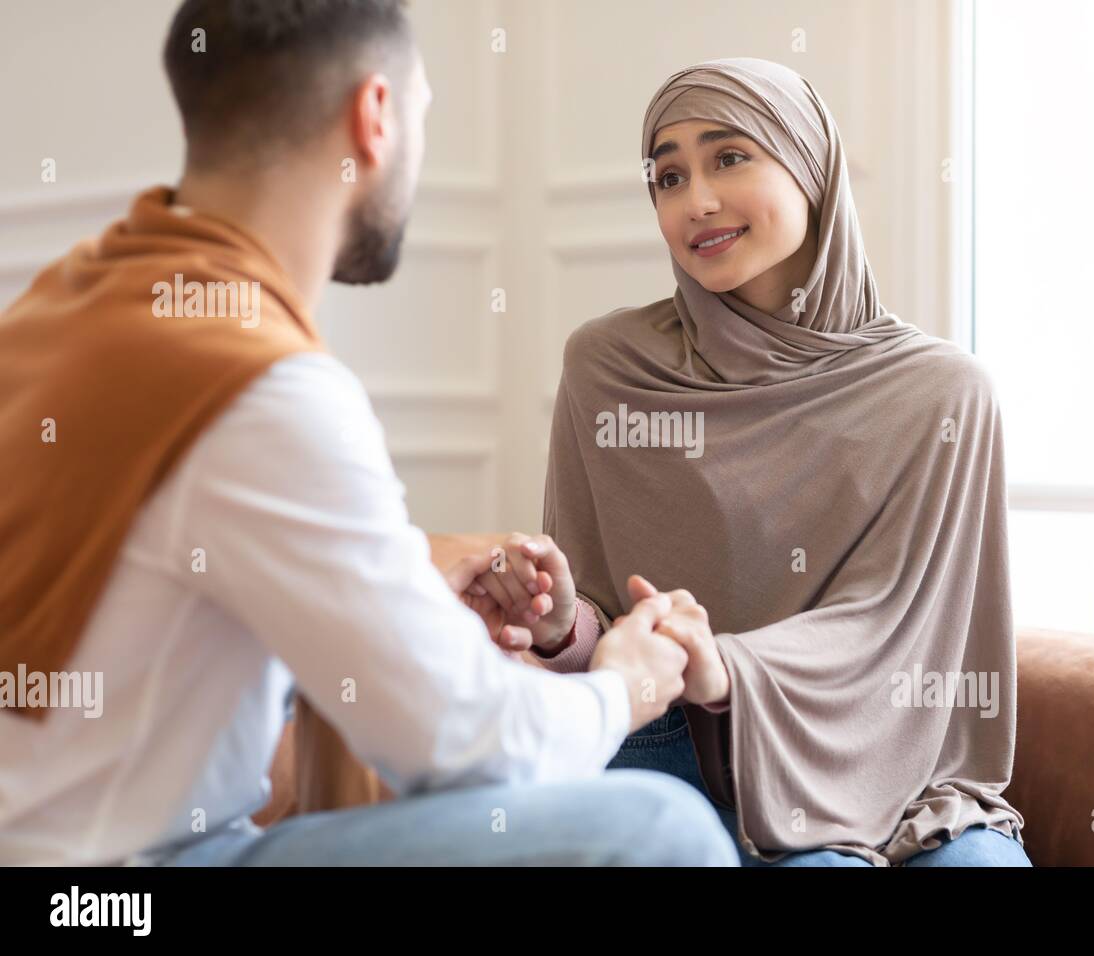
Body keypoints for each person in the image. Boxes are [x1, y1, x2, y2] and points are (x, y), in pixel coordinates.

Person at [0, 0, 738, 868]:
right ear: (375, 114)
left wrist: (401, 587)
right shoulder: (265, 386)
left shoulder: (70, 303)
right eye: (424, 111)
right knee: (665, 829)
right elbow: (465, 742)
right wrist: (625, 685)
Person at [482, 58, 1033, 867]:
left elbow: (900, 627)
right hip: (680, 768)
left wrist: (731, 667)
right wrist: (561, 623)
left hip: (898, 773)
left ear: (810, 166)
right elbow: (600, 619)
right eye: (668, 175)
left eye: (729, 157)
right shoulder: (610, 368)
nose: (695, 200)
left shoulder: (942, 394)